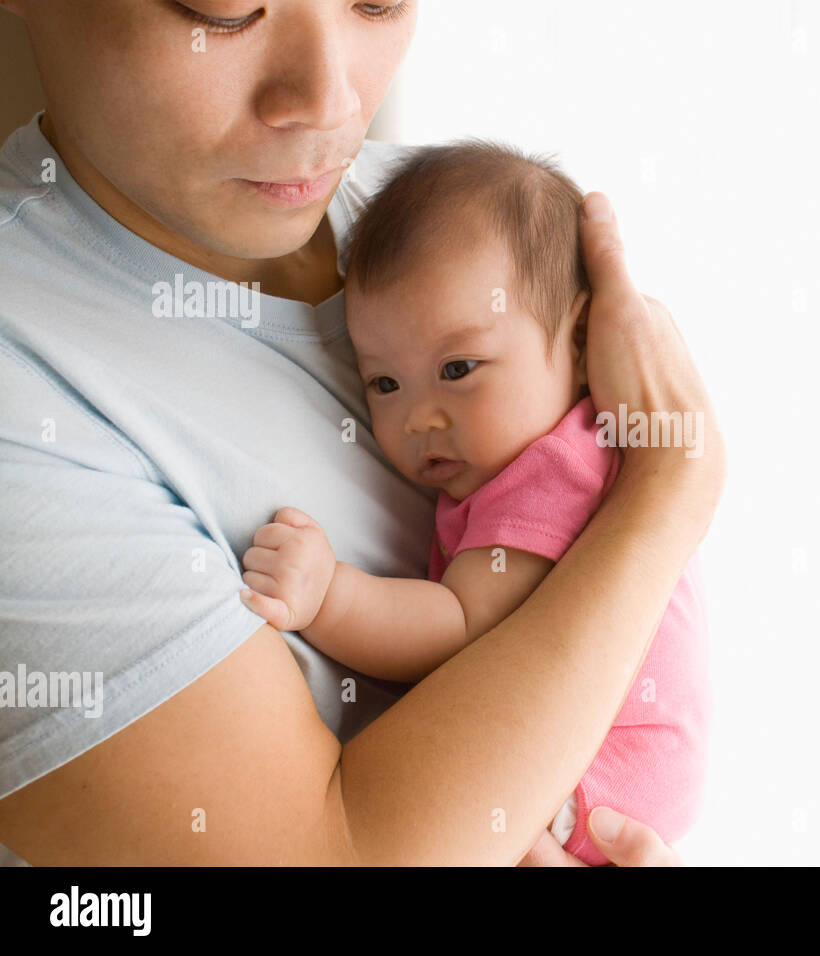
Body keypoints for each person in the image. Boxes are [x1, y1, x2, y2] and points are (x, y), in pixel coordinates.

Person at [0, 0, 724, 866]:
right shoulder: (27, 376)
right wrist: (671, 486)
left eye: (376, 0)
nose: (333, 100)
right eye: (224, 10)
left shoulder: (442, 222)